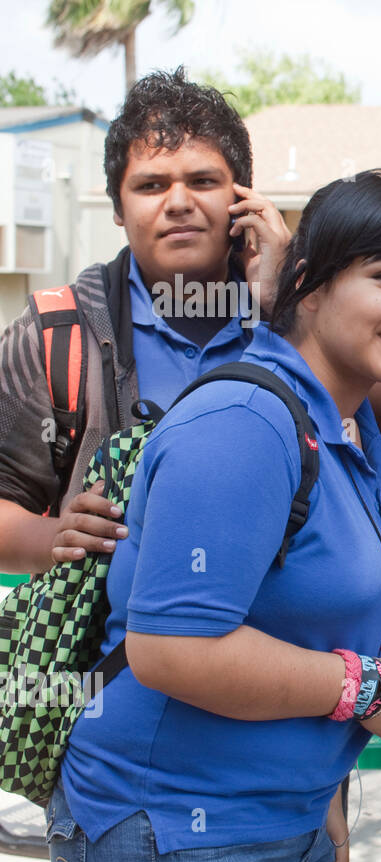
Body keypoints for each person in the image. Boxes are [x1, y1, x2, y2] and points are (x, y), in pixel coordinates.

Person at [46, 169, 381, 862]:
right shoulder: (246, 421)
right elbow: (175, 648)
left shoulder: (347, 432)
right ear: (310, 286)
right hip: (172, 831)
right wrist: (368, 688)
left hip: (274, 827)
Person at [0, 67, 292, 576]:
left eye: (203, 181)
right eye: (151, 185)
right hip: (114, 649)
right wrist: (57, 535)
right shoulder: (55, 334)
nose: (179, 203)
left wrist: (285, 300)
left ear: (242, 196)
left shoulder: (298, 320)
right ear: (118, 205)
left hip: (278, 647)